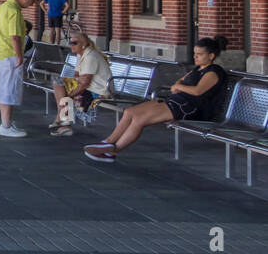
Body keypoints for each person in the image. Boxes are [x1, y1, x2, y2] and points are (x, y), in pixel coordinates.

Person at [84, 37, 229, 162]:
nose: (195, 57)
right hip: (177, 101)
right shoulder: (198, 69)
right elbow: (177, 84)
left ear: (211, 55)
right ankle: (107, 142)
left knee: (140, 120)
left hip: (189, 108)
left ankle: (112, 151)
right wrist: (179, 86)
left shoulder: (213, 72)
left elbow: (197, 91)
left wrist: (180, 87)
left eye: (200, 54)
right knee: (130, 112)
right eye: (195, 54)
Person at [0, 0, 41, 137]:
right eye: (32, 1)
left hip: (0, 53)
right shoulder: (14, 11)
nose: (32, 5)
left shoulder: (2, 7)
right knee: (9, 89)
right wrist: (20, 55)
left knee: (4, 88)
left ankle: (6, 122)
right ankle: (6, 126)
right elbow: (15, 36)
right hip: (10, 55)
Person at [48, 33, 112, 136]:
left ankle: (63, 122)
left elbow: (85, 83)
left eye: (74, 43)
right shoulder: (81, 54)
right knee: (58, 82)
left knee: (65, 96)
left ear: (83, 44)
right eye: (70, 42)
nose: (71, 45)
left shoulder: (90, 56)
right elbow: (76, 75)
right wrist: (78, 79)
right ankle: (64, 122)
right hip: (88, 86)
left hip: (98, 90)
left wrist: (69, 96)